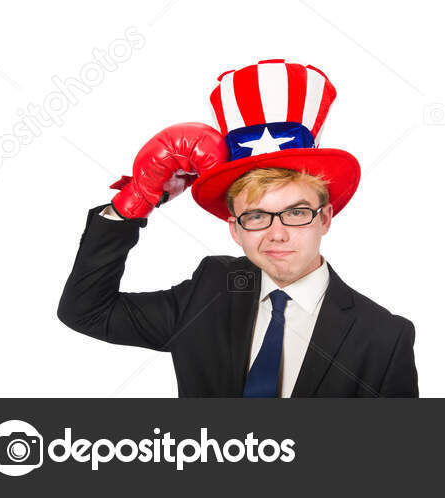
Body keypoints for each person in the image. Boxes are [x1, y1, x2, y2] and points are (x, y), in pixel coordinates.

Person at [57, 59, 417, 397]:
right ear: (235, 228)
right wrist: (134, 199)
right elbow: (86, 311)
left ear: (325, 218)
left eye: (295, 213)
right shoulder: (210, 289)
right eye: (257, 216)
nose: (276, 234)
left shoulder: (383, 337)